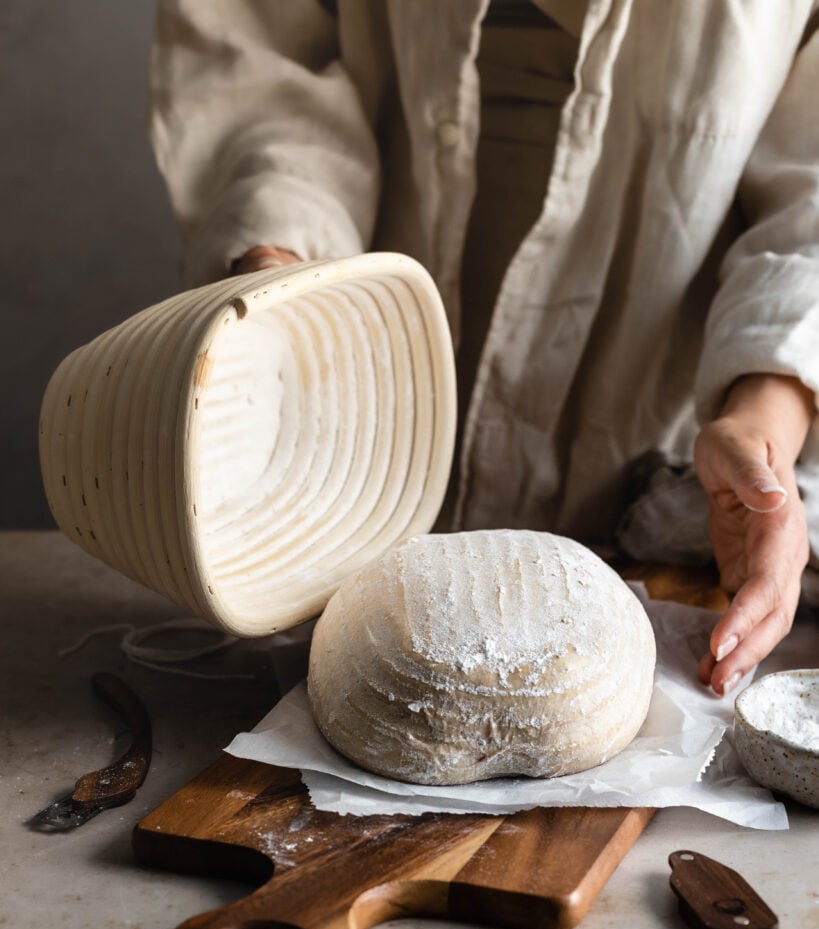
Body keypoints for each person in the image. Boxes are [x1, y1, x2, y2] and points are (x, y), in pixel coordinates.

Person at [149, 0, 819, 696]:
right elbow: (259, 53)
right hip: (363, 364)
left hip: (661, 428)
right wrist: (283, 272)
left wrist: (760, 425)